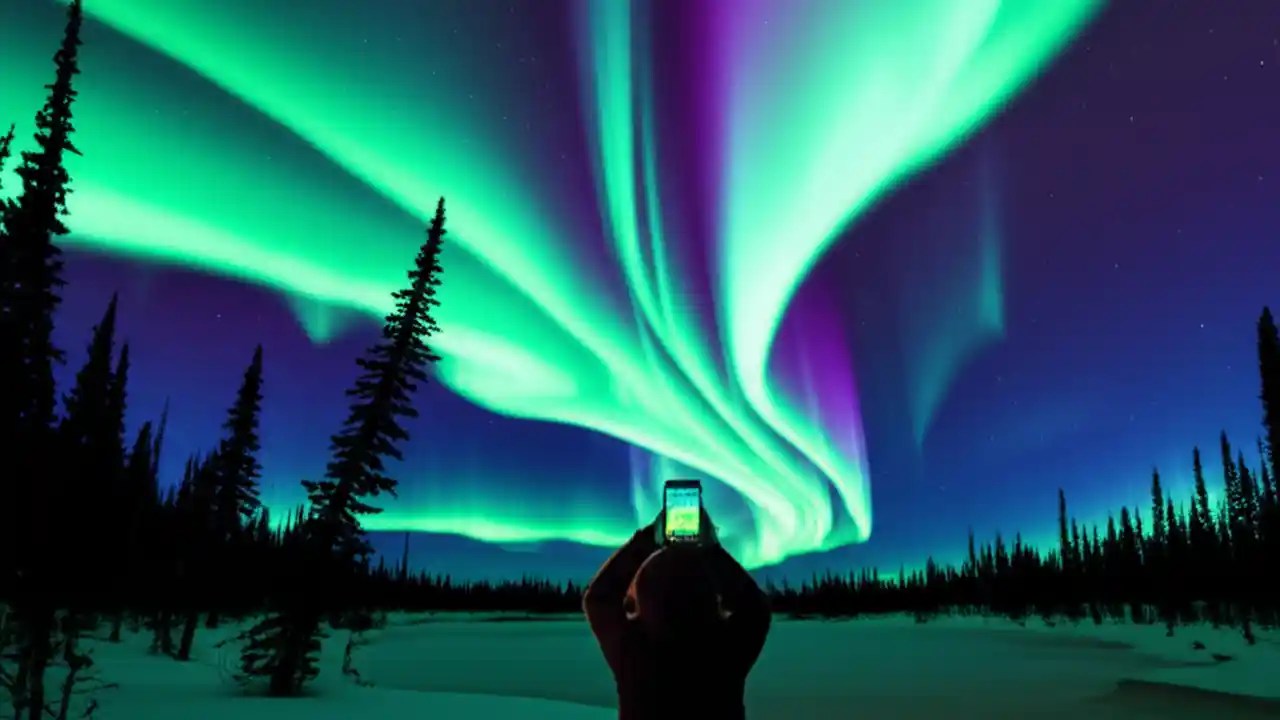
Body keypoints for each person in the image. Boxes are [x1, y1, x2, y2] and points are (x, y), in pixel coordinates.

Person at [583, 507, 772, 720]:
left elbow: (600, 598)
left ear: (646, 597)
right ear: (709, 595)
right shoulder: (724, 651)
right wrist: (711, 549)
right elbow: (755, 608)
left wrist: (650, 538)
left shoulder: (634, 653)